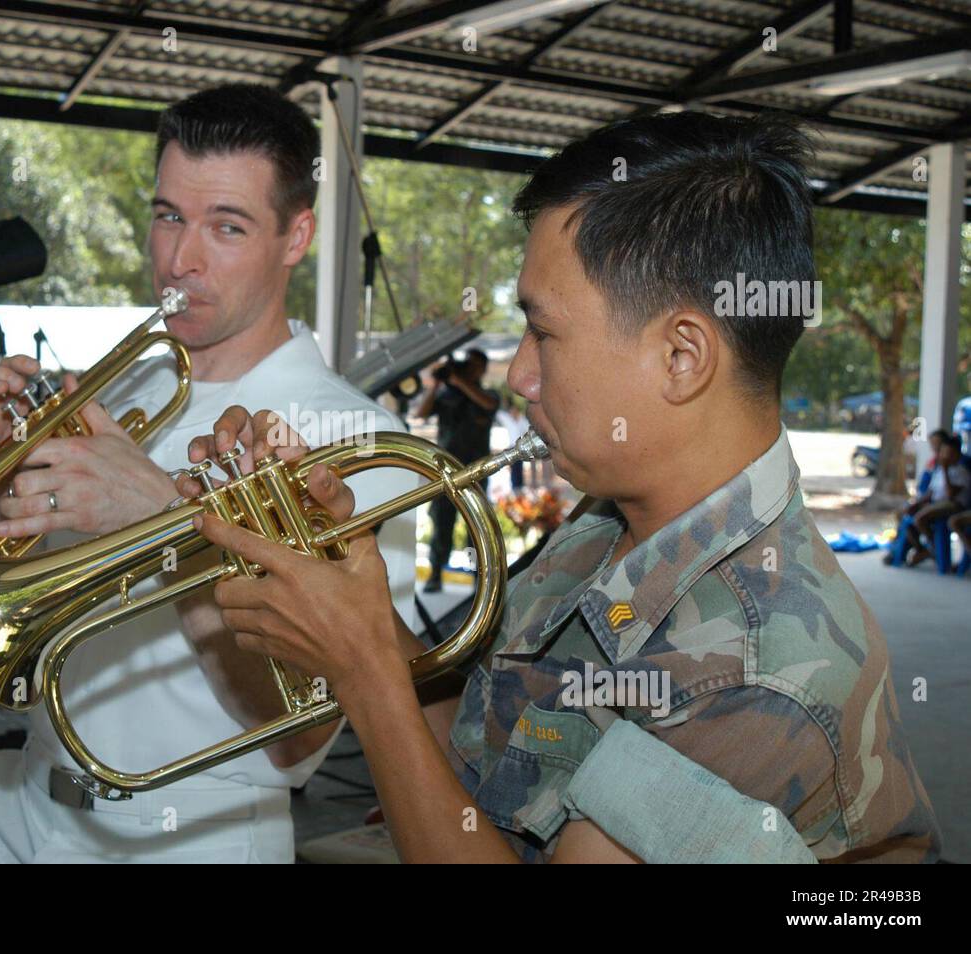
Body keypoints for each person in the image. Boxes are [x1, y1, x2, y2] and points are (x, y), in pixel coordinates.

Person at [196, 111, 941, 862]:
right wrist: (337, 571)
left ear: (682, 356)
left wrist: (367, 677)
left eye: (543, 332)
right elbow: (482, 739)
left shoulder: (757, 672)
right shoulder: (616, 515)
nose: (519, 375)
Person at [0, 84, 418, 864]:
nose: (181, 259)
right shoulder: (128, 388)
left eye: (228, 226)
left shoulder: (358, 440)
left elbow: (301, 739)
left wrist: (164, 522)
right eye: (169, 214)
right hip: (18, 805)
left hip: (183, 838)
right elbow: (16, 594)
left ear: (296, 236)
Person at [416, 348, 499, 592]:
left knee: (475, 526)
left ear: (482, 369)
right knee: (442, 524)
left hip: (475, 472)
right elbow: (421, 413)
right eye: (467, 365)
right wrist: (437, 384)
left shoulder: (486, 394)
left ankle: (478, 576)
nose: (468, 370)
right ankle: (435, 574)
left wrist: (458, 381)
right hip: (447, 472)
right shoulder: (447, 393)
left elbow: (488, 404)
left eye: (474, 365)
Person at [901, 437, 970, 567]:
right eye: (943, 453)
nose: (945, 457)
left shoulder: (962, 472)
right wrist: (916, 503)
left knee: (920, 519)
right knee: (906, 516)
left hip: (953, 505)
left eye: (949, 454)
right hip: (936, 504)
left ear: (957, 455)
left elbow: (950, 495)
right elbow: (930, 493)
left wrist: (945, 470)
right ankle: (923, 550)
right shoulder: (938, 470)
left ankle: (933, 549)